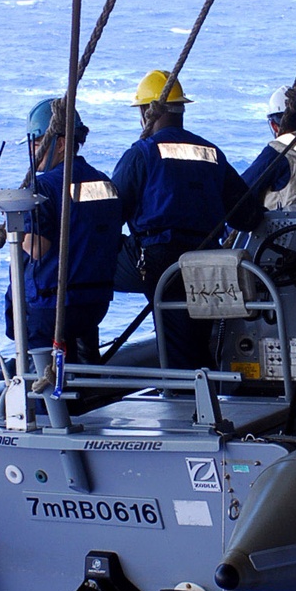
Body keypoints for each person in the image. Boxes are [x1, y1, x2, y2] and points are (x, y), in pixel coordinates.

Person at [112, 69, 263, 369]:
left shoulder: (142, 153)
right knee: (190, 337)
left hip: (158, 261)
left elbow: (109, 215)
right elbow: (249, 215)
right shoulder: (211, 153)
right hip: (207, 261)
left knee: (90, 263)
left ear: (146, 112)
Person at [7, 96, 122, 363]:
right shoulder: (105, 183)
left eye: (38, 144)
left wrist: (16, 228)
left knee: (41, 382)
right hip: (94, 304)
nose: (33, 153)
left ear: (59, 144)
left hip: (51, 309)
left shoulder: (43, 187)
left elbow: (37, 249)